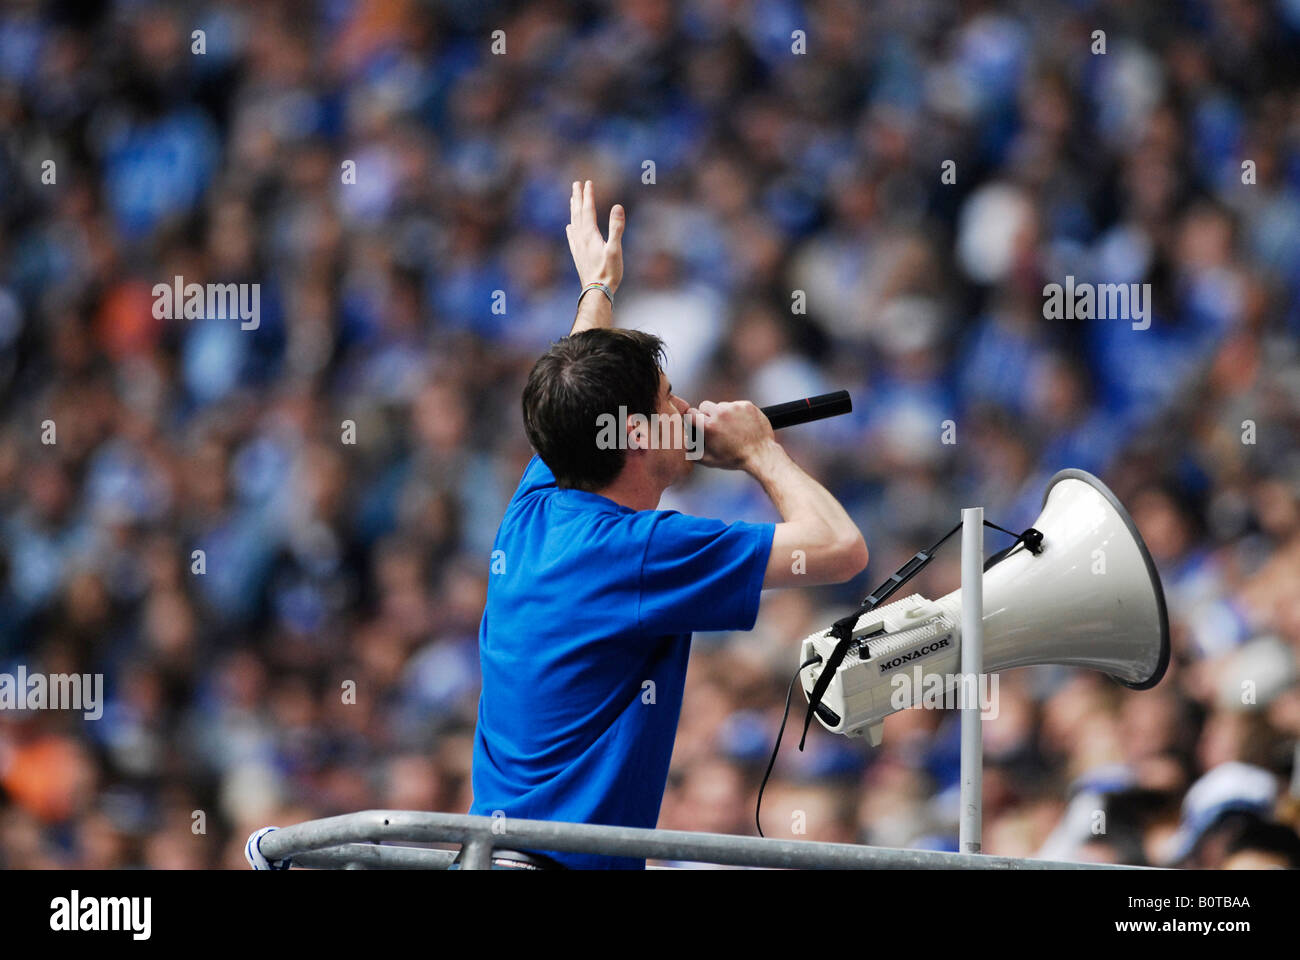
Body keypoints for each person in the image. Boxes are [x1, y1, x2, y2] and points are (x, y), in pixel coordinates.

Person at [463, 181, 869, 869]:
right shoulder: (641, 551)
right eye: (667, 400)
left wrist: (598, 283)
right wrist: (757, 449)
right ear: (633, 438)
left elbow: (577, 380)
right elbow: (840, 548)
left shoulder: (539, 499)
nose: (686, 406)